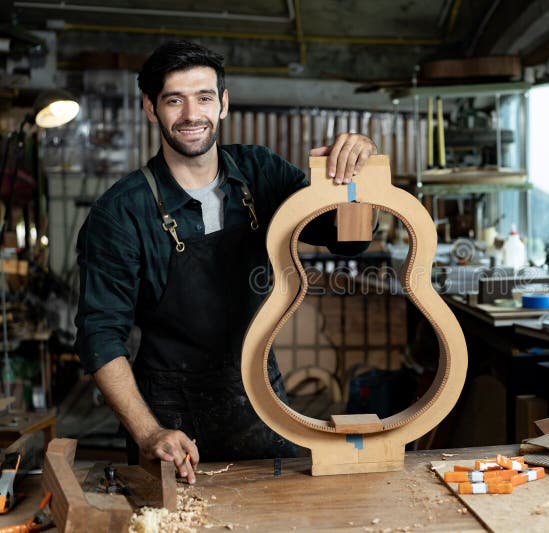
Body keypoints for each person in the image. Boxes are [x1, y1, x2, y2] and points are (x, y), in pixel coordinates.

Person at [74, 40, 378, 484]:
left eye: (204, 97)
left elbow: (346, 242)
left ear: (224, 104)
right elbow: (100, 336)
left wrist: (359, 168)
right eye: (174, 100)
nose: (191, 114)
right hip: (172, 418)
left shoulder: (260, 173)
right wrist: (149, 431)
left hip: (261, 400)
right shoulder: (120, 213)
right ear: (150, 108)